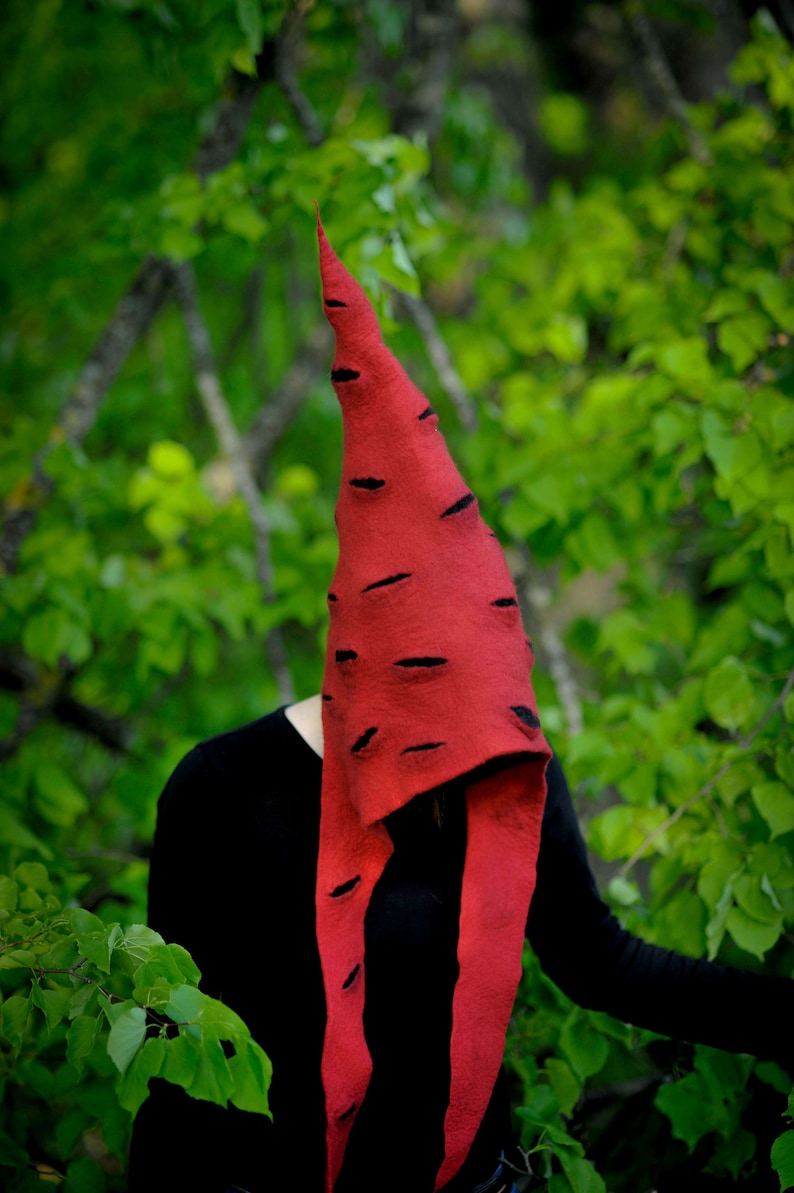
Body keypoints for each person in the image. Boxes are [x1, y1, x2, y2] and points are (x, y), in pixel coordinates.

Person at [128, 220, 792, 1193]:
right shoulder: (224, 790)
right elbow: (171, 1053)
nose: (475, 731)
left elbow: (599, 960)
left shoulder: (499, 765)